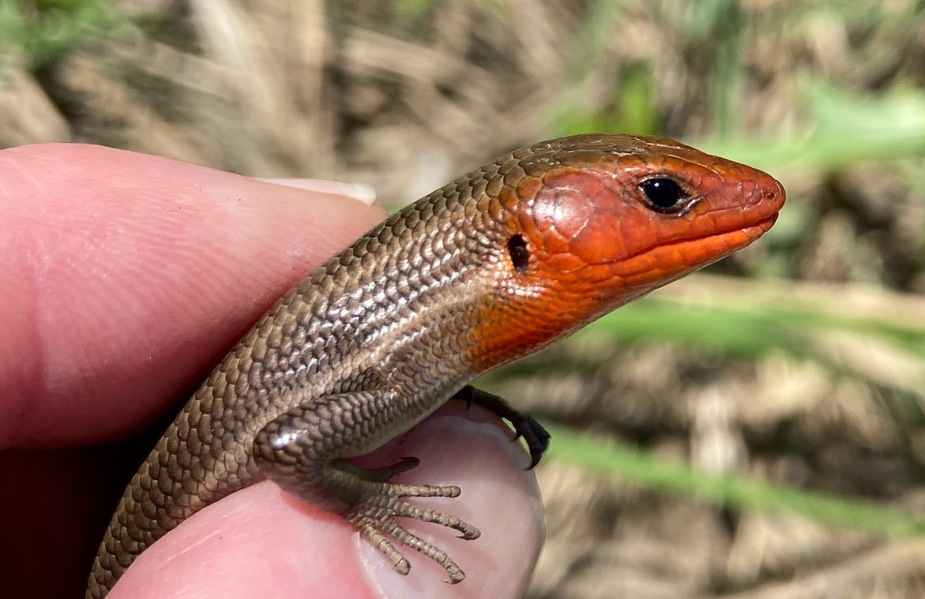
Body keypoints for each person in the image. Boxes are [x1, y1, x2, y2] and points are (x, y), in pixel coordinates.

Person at [0, 143, 543, 598]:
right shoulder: (394, 355)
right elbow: (288, 448)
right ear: (520, 244)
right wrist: (372, 503)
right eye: (635, 193)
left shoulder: (411, 344)